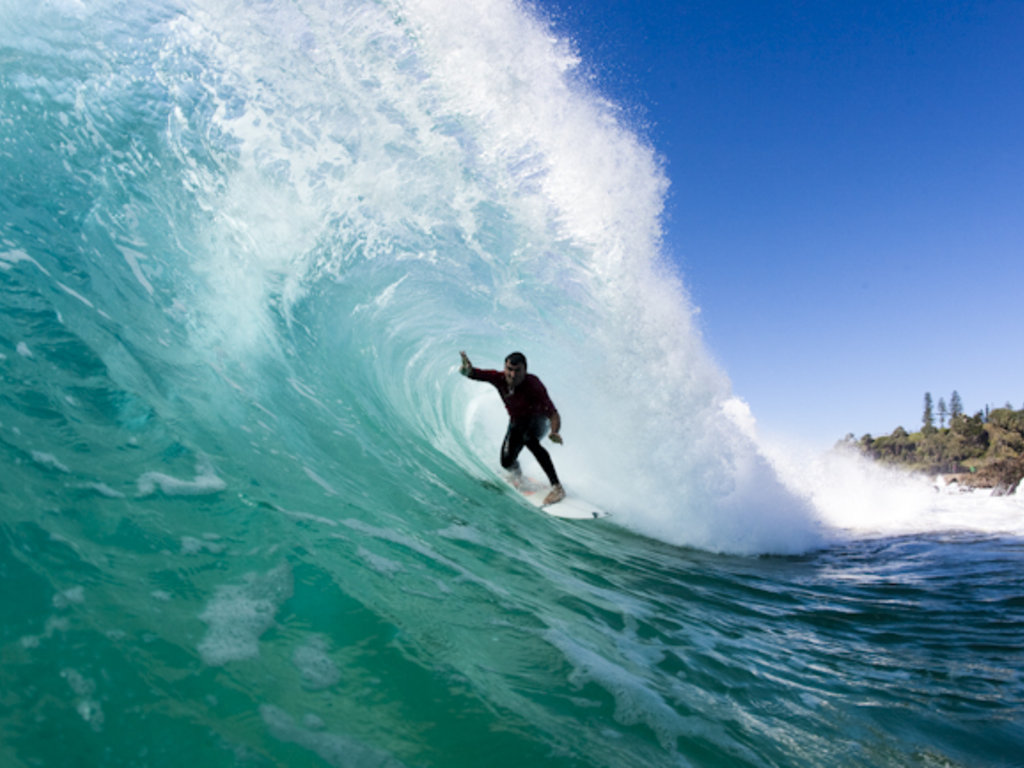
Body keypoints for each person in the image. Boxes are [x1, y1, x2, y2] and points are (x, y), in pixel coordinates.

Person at [459, 350, 565, 505]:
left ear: (525, 370)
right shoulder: (499, 378)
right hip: (517, 421)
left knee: (529, 439)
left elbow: (553, 414)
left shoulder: (533, 385)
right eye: (509, 369)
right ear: (504, 368)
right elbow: (473, 373)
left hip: (538, 421)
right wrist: (466, 370)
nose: (513, 374)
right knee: (506, 462)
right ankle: (518, 477)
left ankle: (557, 487)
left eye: (517, 370)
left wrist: (554, 432)